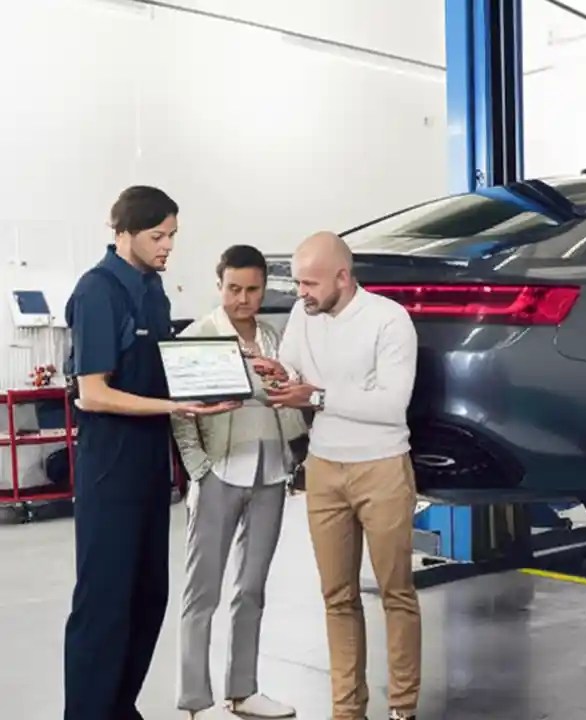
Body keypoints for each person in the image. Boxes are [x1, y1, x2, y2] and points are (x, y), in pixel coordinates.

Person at [62, 186, 241, 720]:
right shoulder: (97, 291)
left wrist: (213, 380)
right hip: (109, 467)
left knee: (148, 596)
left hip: (148, 465)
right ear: (123, 233)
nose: (168, 246)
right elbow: (93, 392)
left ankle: (119, 706)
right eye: (157, 236)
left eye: (172, 236)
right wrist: (175, 406)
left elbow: (164, 368)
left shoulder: (155, 291)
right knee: (105, 601)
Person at [253, 231, 421, 720]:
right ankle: (347, 710)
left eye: (310, 283)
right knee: (337, 597)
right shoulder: (303, 317)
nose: (300, 292)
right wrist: (279, 373)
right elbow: (294, 370)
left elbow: (392, 405)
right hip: (324, 470)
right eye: (298, 283)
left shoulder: (389, 319)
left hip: (382, 467)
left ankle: (403, 708)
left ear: (343, 278)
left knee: (396, 593)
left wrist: (318, 397)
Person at [170, 244, 310, 719]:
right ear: (219, 285)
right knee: (202, 593)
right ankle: (194, 701)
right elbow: (182, 415)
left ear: (264, 289)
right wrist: (199, 470)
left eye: (252, 290)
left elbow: (289, 400)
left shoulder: (273, 337)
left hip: (270, 473)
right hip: (220, 473)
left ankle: (244, 691)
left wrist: (293, 456)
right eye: (234, 289)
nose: (243, 298)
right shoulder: (198, 336)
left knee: (252, 588)